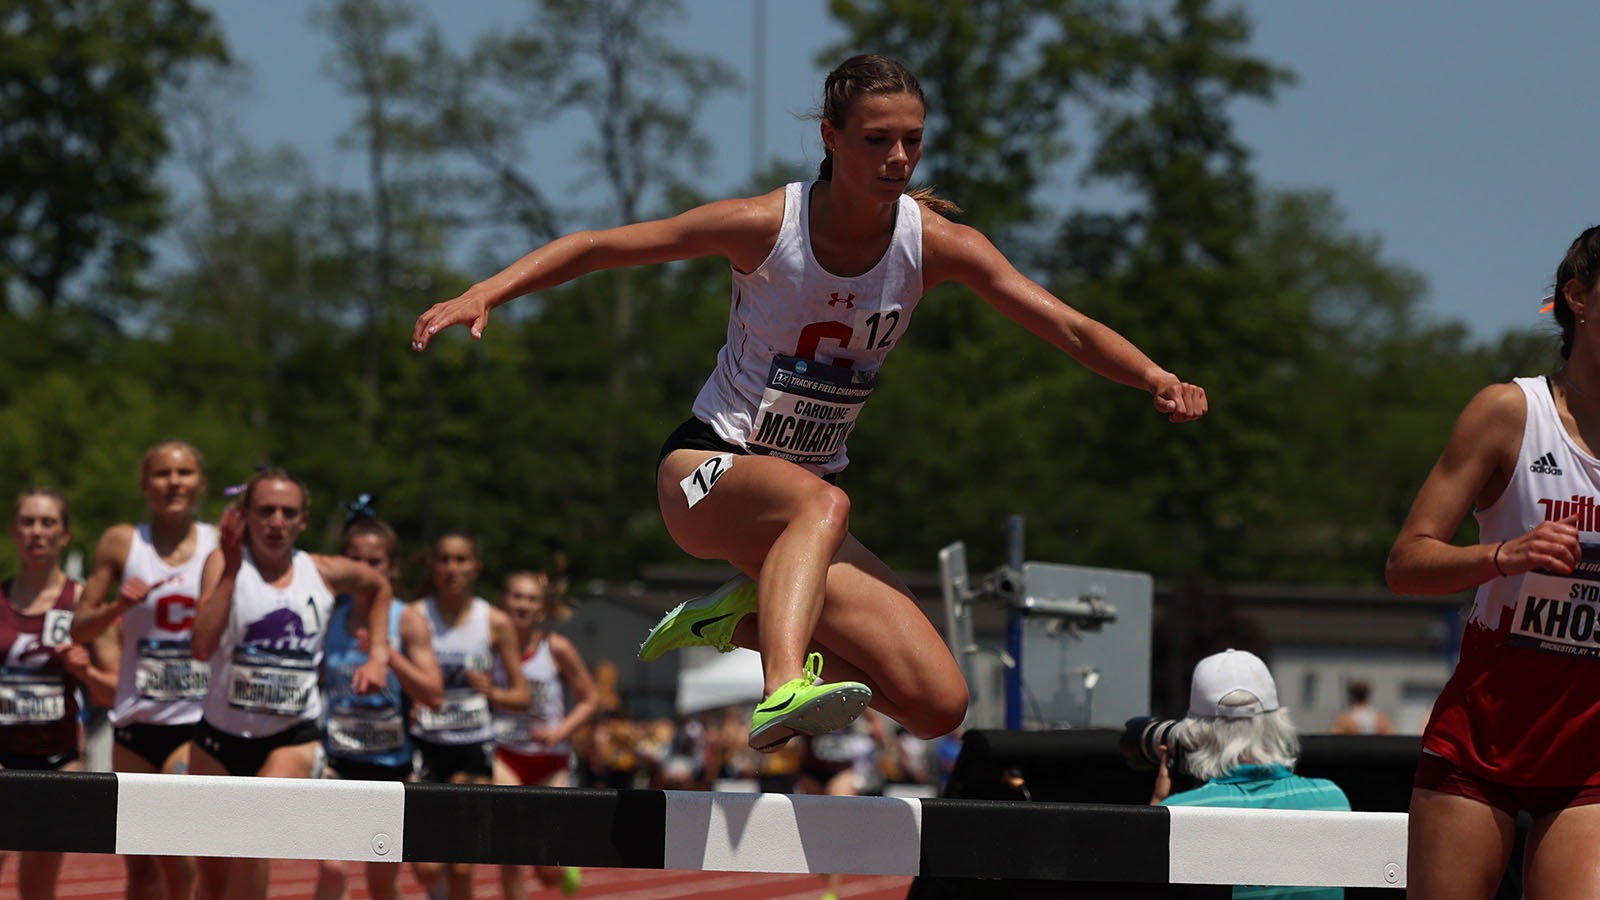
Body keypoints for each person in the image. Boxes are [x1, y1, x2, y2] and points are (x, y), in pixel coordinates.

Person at [411, 53, 1208, 754]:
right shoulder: (768, 226)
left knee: (939, 704)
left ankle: (747, 620)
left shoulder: (933, 245)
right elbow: (603, 245)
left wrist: (1154, 377)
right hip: (705, 473)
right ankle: (783, 684)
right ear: (830, 137)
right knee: (822, 502)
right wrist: (489, 290)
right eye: (876, 140)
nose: (898, 158)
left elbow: (1065, 322)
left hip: (804, 516)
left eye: (912, 141)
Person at [1385, 225, 1600, 899]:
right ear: (1579, 298)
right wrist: (1507, 554)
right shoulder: (1510, 411)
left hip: (1590, 752)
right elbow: (1405, 563)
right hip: (1482, 741)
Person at [188, 468, 393, 900]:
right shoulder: (223, 564)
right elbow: (202, 647)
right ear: (244, 515)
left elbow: (378, 586)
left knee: (252, 836)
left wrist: (378, 654)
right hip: (218, 741)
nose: (276, 522)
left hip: (292, 737)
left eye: (288, 512)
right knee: (210, 882)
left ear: (303, 520)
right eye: (265, 511)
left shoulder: (322, 571)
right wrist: (228, 571)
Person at [70, 439, 216, 900]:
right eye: (162, 474)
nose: (174, 482)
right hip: (133, 725)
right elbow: (79, 629)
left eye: (185, 473)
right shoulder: (122, 542)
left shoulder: (220, 545)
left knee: (177, 858)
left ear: (201, 483)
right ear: (144, 484)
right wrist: (119, 606)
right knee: (140, 872)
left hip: (194, 726)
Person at [314, 505, 444, 900]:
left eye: (375, 561)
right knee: (332, 868)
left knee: (383, 882)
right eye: (355, 560)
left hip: (393, 769)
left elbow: (434, 694)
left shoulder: (407, 622)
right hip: (338, 764)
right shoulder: (328, 617)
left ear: (391, 568)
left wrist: (388, 655)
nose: (364, 569)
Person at [1150, 649, 1351, 900]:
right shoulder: (1331, 798)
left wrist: (1156, 810)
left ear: (1195, 733)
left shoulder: (1181, 812)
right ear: (1278, 721)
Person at [0, 488, 115, 900]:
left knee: (38, 884)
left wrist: (87, 672)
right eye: (28, 522)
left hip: (58, 758)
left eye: (47, 522)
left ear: (64, 535)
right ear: (14, 531)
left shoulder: (82, 601)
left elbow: (116, 691)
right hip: (1, 756)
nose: (37, 532)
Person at [407, 531, 529, 900]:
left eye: (460, 560)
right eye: (444, 559)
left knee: (462, 864)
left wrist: (493, 690)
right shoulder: (413, 615)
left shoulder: (493, 622)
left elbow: (522, 696)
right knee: (427, 868)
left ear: (476, 567)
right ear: (432, 565)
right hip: (425, 745)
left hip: (472, 746)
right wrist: (409, 696)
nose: (451, 568)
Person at [490, 569, 598, 900]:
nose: (522, 604)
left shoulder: (556, 648)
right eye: (517, 596)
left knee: (547, 863)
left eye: (531, 599)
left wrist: (559, 731)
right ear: (504, 601)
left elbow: (591, 698)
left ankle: (562, 869)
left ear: (542, 608)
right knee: (510, 848)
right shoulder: (489, 645)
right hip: (505, 753)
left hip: (550, 760)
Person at [793, 709, 888, 900]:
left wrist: (876, 727)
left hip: (841, 769)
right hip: (812, 770)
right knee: (814, 831)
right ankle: (826, 869)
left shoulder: (849, 692)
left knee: (836, 827)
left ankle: (832, 892)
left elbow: (872, 714)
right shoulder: (810, 692)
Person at [1328, 678, 1394, 736]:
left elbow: (1334, 738)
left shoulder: (1345, 719)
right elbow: (1391, 735)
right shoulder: (1379, 719)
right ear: (1368, 694)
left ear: (1352, 695)